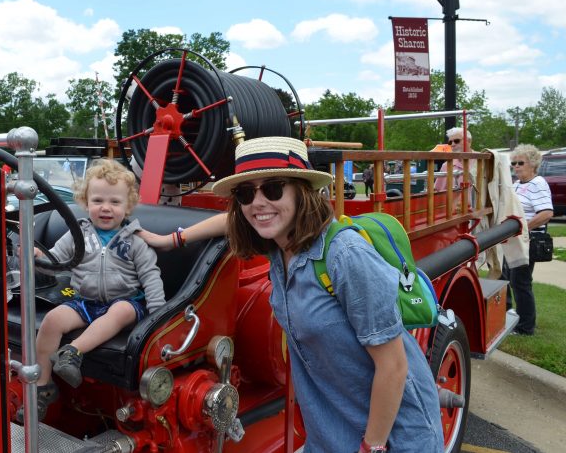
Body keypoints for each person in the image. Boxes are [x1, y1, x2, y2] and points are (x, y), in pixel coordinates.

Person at [140, 137, 442, 452]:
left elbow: (393, 366)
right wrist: (172, 240)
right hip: (331, 433)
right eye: (245, 193)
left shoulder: (344, 256)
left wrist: (373, 446)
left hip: (394, 436)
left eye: (272, 188)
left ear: (301, 191)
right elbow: (235, 220)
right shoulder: (279, 249)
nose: (257, 203)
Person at [25, 158, 165, 419]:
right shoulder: (78, 234)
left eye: (115, 202)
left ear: (128, 206)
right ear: (85, 202)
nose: (106, 208)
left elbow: (151, 276)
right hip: (85, 302)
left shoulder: (134, 240)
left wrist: (158, 318)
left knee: (121, 311)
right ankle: (43, 385)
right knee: (52, 321)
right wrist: (38, 258)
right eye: (98, 201)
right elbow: (56, 262)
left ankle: (73, 352)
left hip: (125, 301)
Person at [503, 144, 553, 336]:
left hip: (527, 239)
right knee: (507, 277)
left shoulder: (538, 183)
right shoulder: (516, 184)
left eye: (520, 163)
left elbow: (546, 213)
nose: (516, 166)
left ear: (532, 164)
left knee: (521, 281)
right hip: (513, 239)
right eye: (513, 163)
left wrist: (523, 229)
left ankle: (525, 327)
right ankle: (512, 313)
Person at [434, 127, 475, 192]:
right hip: (454, 202)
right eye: (450, 142)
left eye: (456, 141)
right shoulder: (446, 165)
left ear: (469, 141)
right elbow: (438, 190)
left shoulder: (481, 160)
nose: (452, 144)